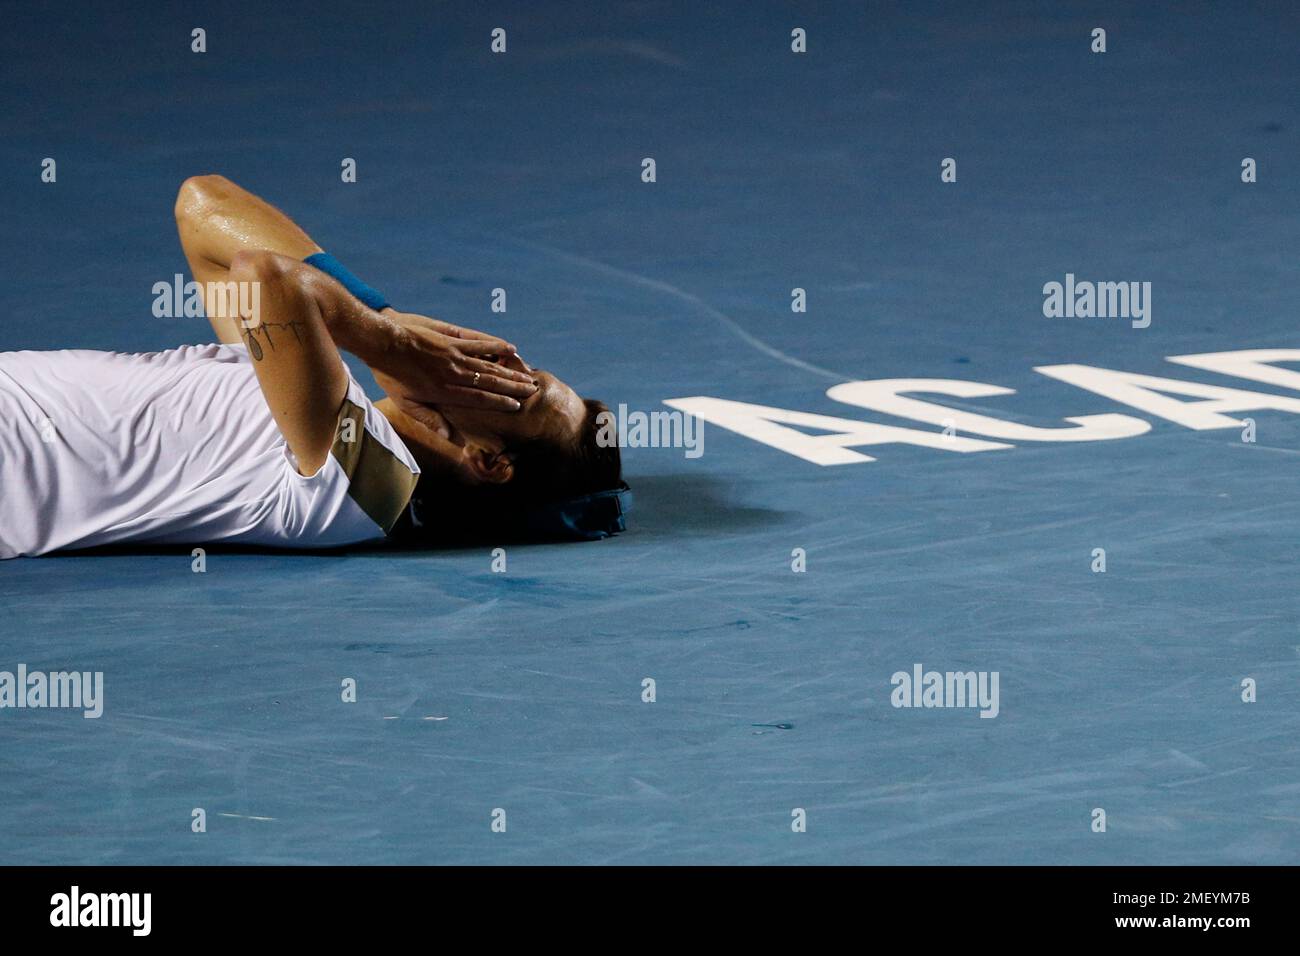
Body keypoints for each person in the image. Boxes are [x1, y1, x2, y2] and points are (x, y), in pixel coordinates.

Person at [0, 175, 623, 559]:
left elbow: (265, 276)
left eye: (525, 388)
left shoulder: (370, 488)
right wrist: (385, 315)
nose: (510, 356)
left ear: (486, 458)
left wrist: (394, 342)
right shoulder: (304, 388)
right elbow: (203, 206)